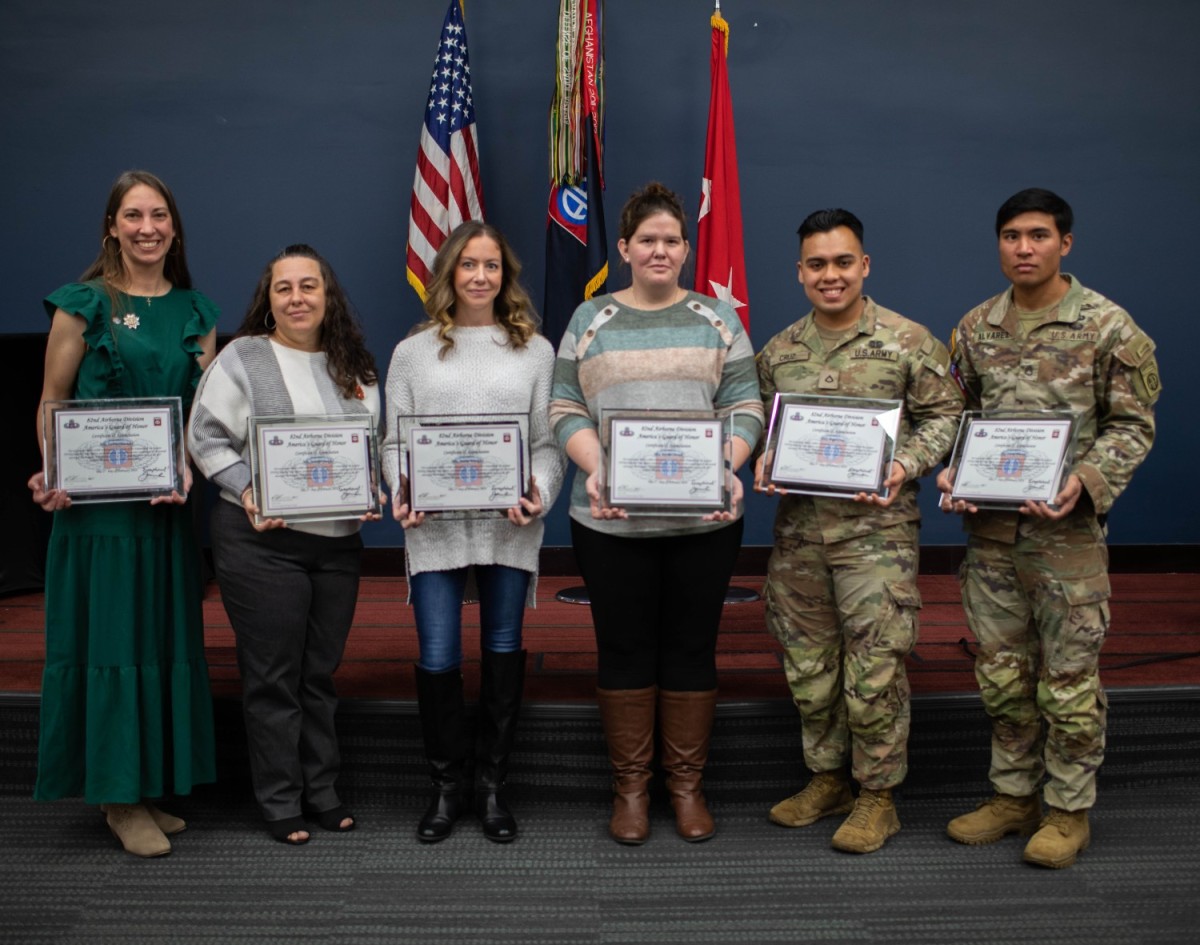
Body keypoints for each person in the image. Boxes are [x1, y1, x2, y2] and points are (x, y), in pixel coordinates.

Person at [940, 189, 1160, 869]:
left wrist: (1085, 480)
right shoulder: (975, 327)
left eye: (1038, 235)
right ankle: (1013, 797)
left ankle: (1067, 810)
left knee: (1067, 682)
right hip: (991, 537)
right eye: (1011, 236)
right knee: (1003, 676)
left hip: (1066, 539)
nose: (1024, 248)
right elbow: (956, 417)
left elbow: (1132, 426)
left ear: (1066, 243)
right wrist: (953, 470)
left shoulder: (1107, 326)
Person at [549, 182, 764, 845]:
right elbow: (563, 407)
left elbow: (746, 404)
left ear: (686, 249)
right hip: (610, 519)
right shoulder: (590, 319)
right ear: (624, 248)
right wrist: (598, 467)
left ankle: (686, 786)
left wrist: (725, 465)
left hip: (703, 522)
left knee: (692, 647)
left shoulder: (717, 318)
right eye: (647, 240)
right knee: (623, 647)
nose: (660, 250)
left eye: (672, 239)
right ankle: (632, 789)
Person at [756, 208, 963, 854]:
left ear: (864, 265)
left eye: (843, 262)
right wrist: (764, 454)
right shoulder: (779, 352)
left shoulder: (908, 341)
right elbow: (758, 424)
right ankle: (828, 779)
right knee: (809, 666)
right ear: (799, 272)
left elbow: (948, 416)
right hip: (800, 536)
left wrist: (905, 463)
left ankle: (877, 796)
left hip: (878, 536)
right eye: (817, 264)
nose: (831, 275)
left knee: (874, 669)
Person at [29, 169, 218, 858]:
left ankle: (143, 782)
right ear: (111, 226)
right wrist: (54, 468)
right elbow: (52, 401)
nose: (147, 228)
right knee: (110, 642)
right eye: (133, 215)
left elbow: (198, 419)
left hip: (164, 515)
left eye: (159, 215)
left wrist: (187, 466)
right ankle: (116, 796)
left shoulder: (197, 312)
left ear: (174, 228)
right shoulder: (82, 305)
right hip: (98, 519)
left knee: (156, 641)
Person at [188, 244, 380, 845]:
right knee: (273, 675)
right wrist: (248, 489)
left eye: (308, 286)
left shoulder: (355, 366)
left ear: (328, 296)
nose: (297, 298)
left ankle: (322, 790)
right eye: (284, 288)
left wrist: (372, 485)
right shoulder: (244, 357)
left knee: (318, 673)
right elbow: (205, 436)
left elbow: (372, 447)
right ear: (268, 300)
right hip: (260, 543)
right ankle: (279, 798)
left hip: (337, 545)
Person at [382, 222, 563, 844]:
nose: (480, 276)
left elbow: (547, 444)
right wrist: (403, 488)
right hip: (434, 528)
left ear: (504, 276)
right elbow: (394, 443)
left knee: (503, 649)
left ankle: (491, 788)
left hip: (509, 526)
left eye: (491, 265)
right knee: (438, 657)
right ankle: (445, 788)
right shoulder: (412, 353)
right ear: (449, 274)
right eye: (468, 265)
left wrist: (539, 493)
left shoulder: (536, 351)